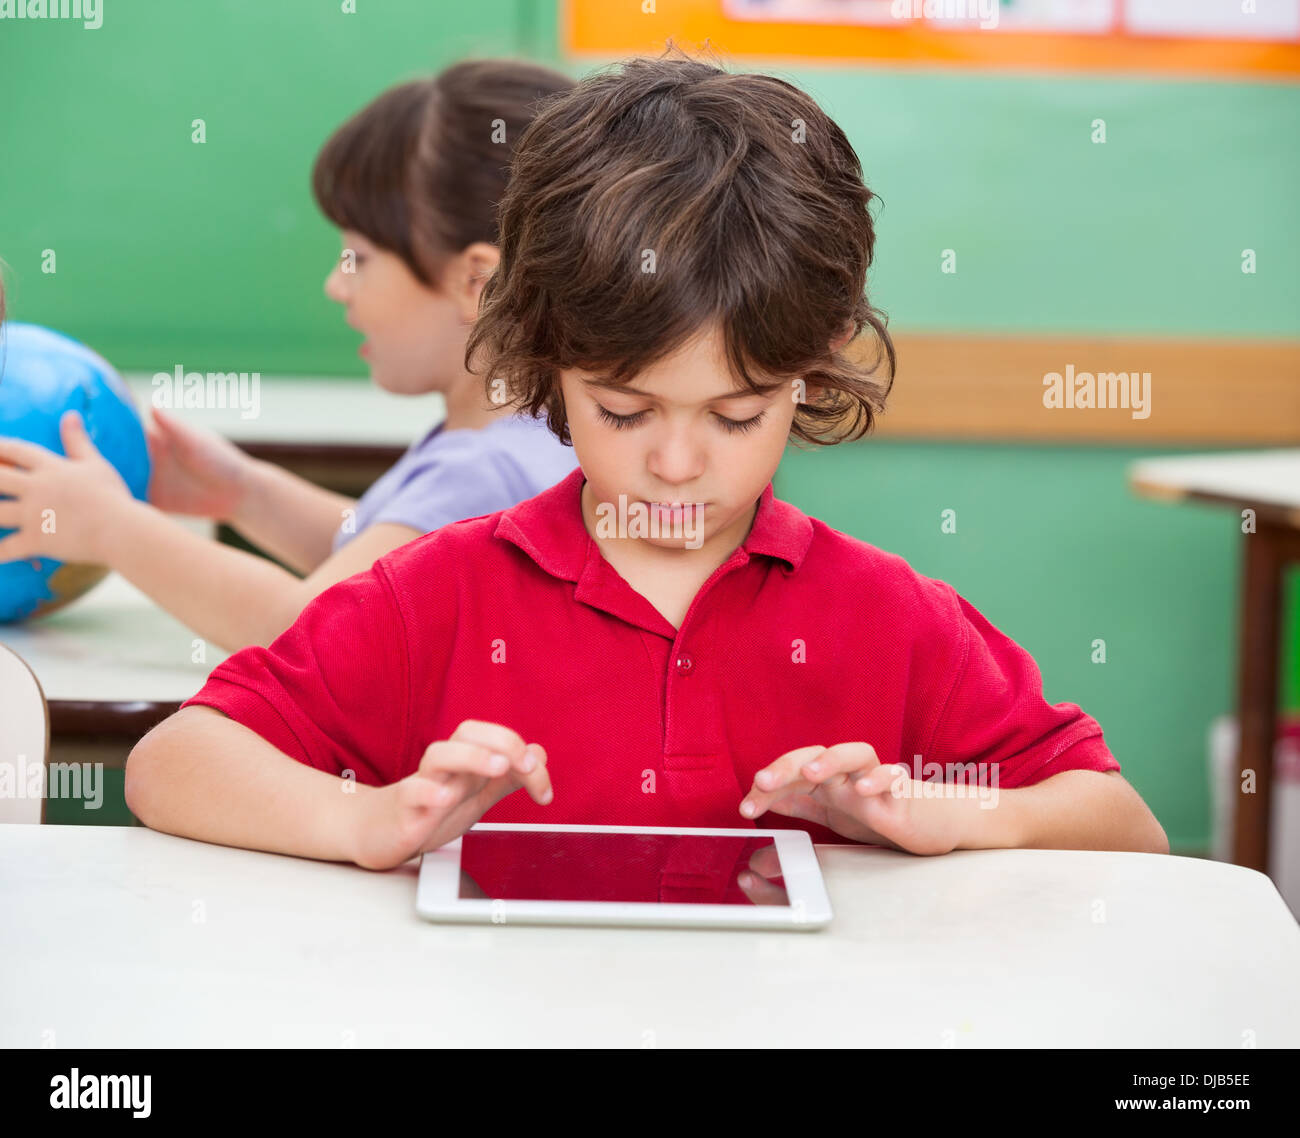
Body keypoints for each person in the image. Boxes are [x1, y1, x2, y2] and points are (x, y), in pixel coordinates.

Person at [125, 49, 1168, 871]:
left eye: (735, 413)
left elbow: (1124, 824)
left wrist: (943, 815)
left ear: (806, 377)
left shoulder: (887, 618)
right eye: (624, 410)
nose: (678, 464)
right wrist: (366, 816)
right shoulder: (440, 594)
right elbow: (173, 763)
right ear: (546, 370)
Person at [0, 60, 578, 651]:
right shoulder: (527, 441)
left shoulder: (486, 471)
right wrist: (246, 493)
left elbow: (310, 630)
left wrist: (110, 528)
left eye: (359, 257)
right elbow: (386, 557)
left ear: (477, 283)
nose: (336, 284)